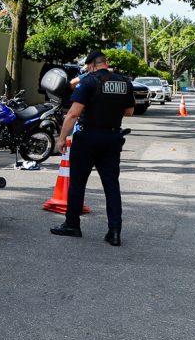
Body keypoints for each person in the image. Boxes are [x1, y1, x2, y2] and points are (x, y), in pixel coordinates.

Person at [50, 51, 135, 246]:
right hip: (112, 137)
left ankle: (72, 225)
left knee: (78, 183)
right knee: (111, 185)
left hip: (88, 137)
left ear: (91, 65)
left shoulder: (88, 82)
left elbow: (73, 114)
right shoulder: (124, 82)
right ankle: (114, 231)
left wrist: (61, 139)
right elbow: (130, 111)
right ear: (106, 63)